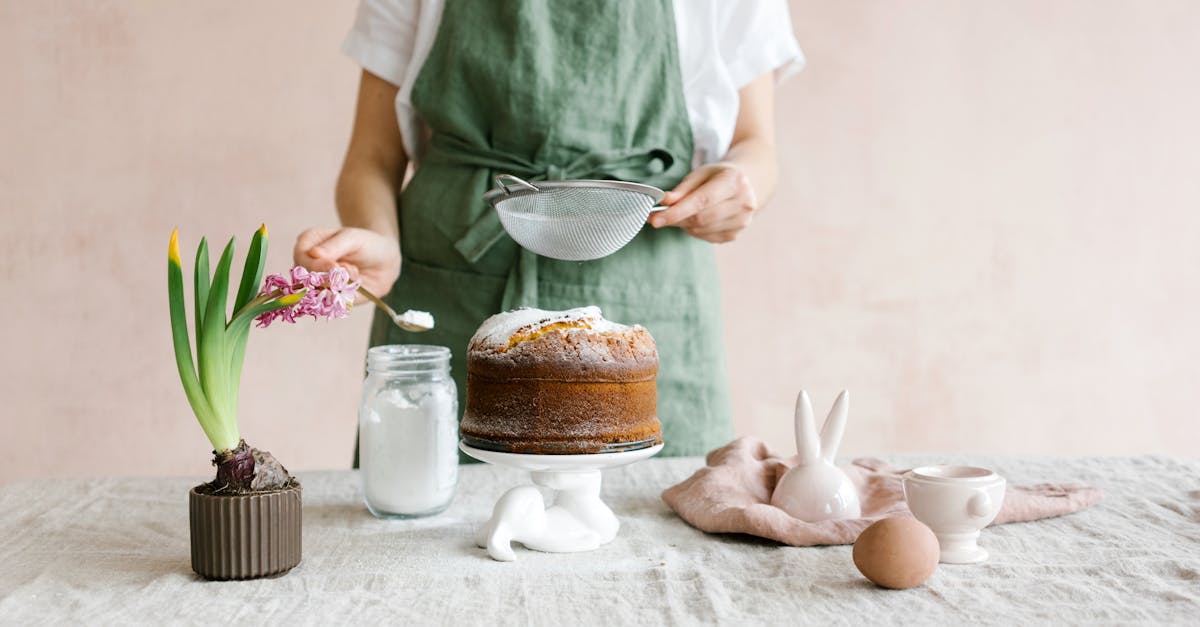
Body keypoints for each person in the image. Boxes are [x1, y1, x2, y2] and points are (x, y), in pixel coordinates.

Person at [294, 0, 804, 459]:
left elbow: (756, 143)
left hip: (651, 282)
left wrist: (743, 184)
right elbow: (373, 154)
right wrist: (377, 237)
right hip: (453, 284)